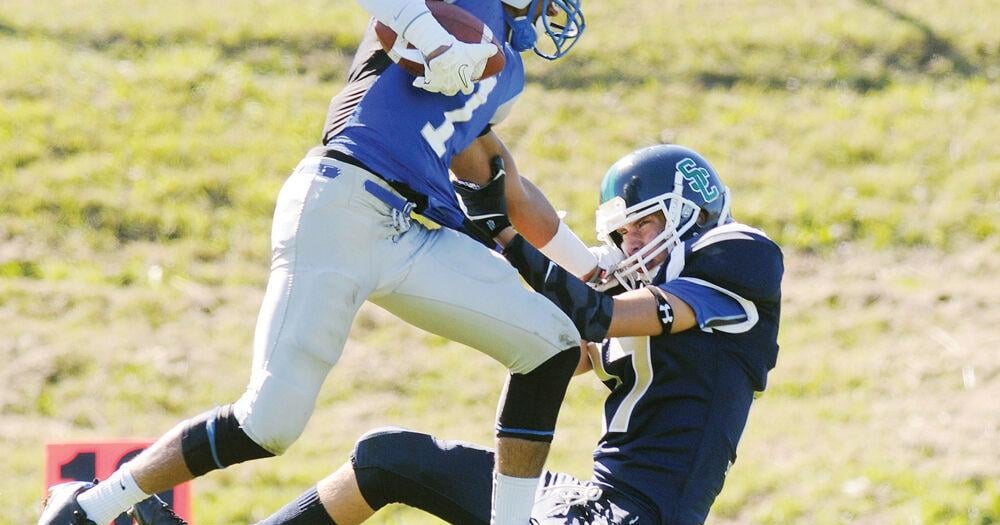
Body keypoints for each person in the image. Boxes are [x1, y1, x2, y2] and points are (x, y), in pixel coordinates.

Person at [38, 1, 600, 524]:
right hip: (340, 202)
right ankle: (90, 507)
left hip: (409, 229)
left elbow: (505, 185)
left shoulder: (504, 66)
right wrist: (429, 37)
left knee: (549, 347)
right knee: (268, 425)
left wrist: (594, 269)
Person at [128, 144, 785, 524]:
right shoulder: (636, 288)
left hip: (632, 518)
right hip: (596, 499)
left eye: (642, 225)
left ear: (690, 212)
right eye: (622, 233)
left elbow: (599, 316)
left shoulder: (739, 257)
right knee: (385, 455)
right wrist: (470, 231)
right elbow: (559, 343)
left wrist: (506, 237)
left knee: (394, 458)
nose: (629, 243)